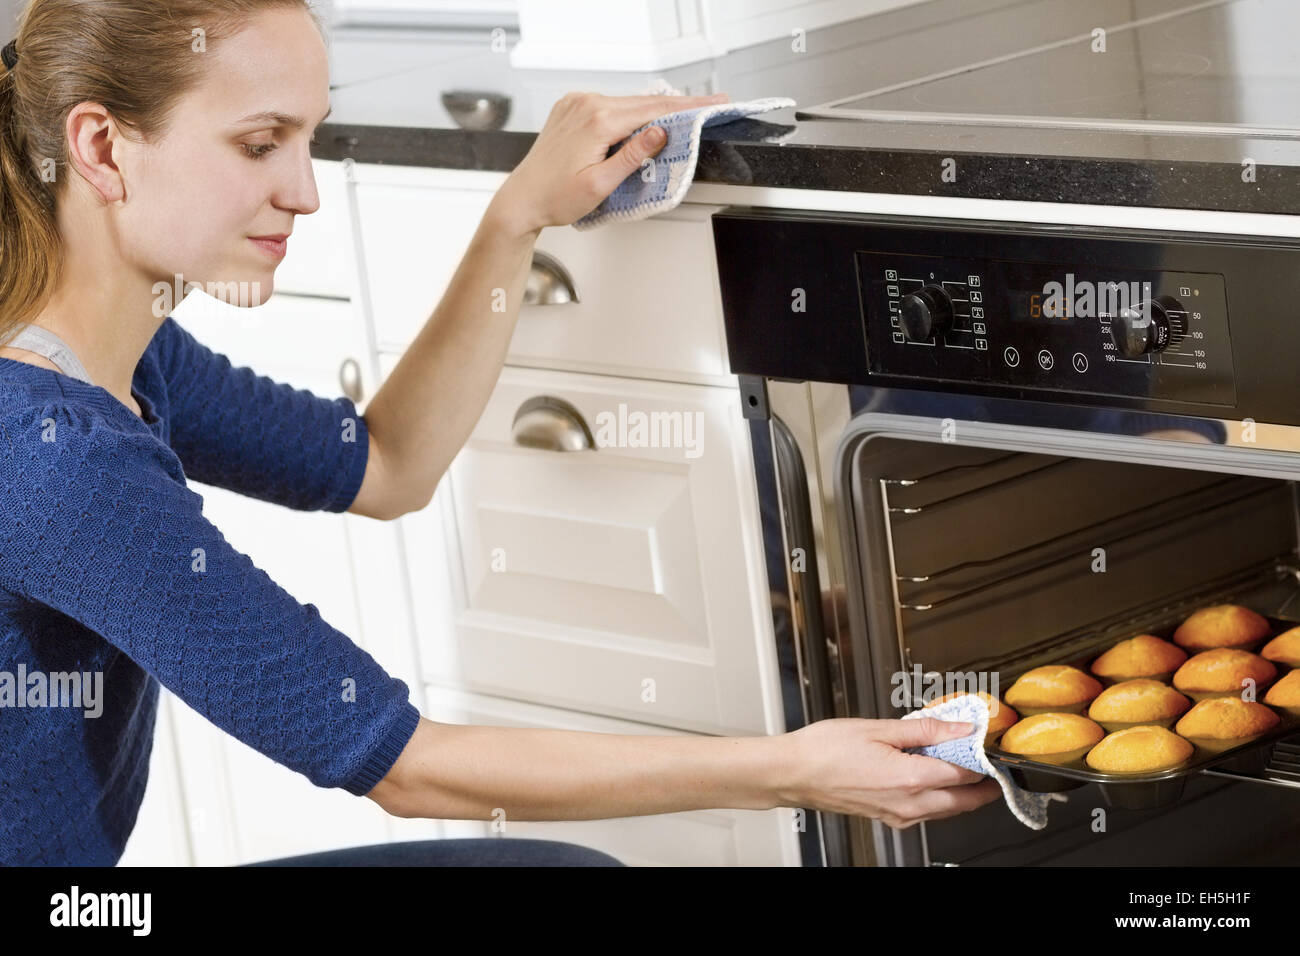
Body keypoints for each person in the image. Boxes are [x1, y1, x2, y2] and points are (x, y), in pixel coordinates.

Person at [0, 0, 998, 867]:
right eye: (260, 144)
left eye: (309, 139)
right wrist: (792, 769)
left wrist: (517, 215)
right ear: (98, 147)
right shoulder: (57, 453)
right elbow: (407, 765)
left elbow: (383, 461)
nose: (302, 190)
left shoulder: (120, 349)